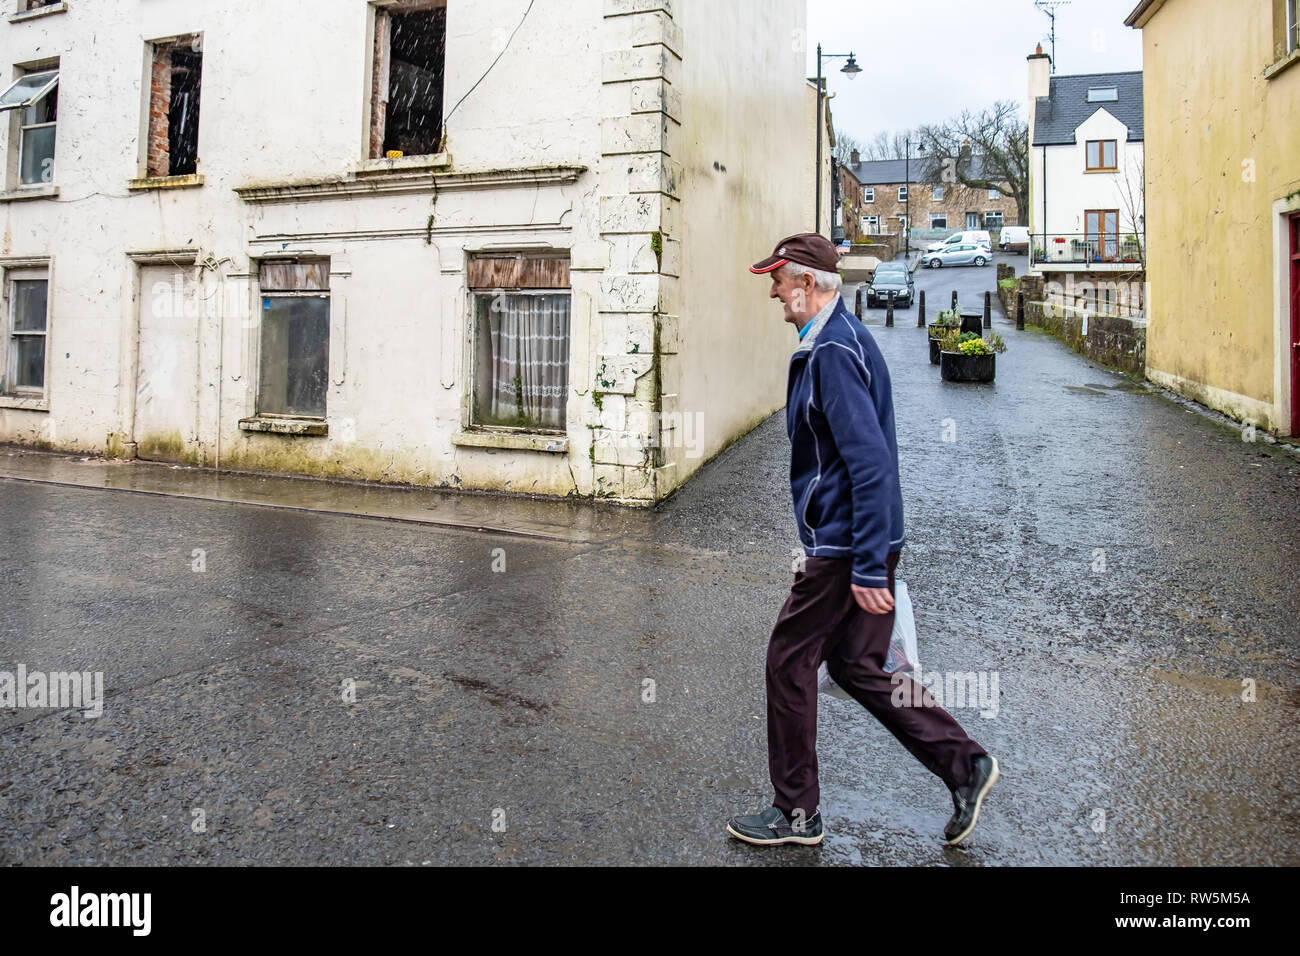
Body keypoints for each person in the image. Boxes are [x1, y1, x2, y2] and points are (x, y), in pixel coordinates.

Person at [726, 233, 998, 848]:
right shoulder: (841, 338)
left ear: (810, 284)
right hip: (863, 539)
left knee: (788, 660)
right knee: (856, 665)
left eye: (778, 280)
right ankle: (965, 765)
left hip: (847, 545)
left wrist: (868, 565)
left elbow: (870, 462)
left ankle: (796, 815)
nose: (773, 292)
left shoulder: (831, 353)